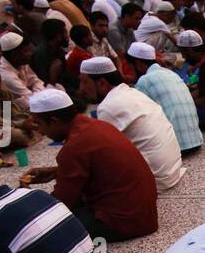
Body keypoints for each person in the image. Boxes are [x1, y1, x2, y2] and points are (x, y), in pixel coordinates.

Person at [22, 88, 158, 241]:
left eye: (39, 124)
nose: (40, 131)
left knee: (51, 223)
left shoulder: (73, 147)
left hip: (125, 222)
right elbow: (96, 167)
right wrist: (56, 172)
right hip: (144, 213)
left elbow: (59, 205)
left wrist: (28, 197)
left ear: (54, 121)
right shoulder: (98, 125)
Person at [78, 56, 182, 192]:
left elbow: (101, 155)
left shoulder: (108, 106)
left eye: (85, 83)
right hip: (172, 171)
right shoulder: (132, 93)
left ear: (102, 83)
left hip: (155, 179)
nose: (81, 89)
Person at [124, 41, 203, 156]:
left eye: (131, 66)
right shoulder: (171, 74)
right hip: (196, 141)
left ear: (138, 64)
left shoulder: (144, 80)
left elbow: (136, 116)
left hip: (176, 147)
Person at [0, 32, 46, 112]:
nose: (30, 54)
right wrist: (39, 93)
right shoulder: (6, 76)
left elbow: (37, 82)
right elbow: (33, 102)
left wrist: (36, 93)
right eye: (26, 51)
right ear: (14, 54)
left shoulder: (20, 62)